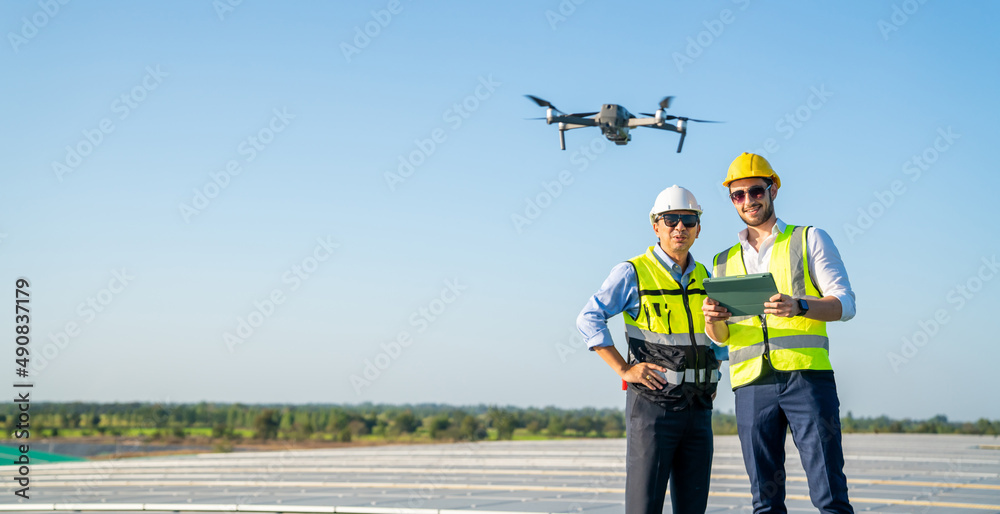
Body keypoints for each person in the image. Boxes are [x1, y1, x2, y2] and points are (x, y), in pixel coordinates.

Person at [703, 153, 856, 513]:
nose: (748, 201)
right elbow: (722, 338)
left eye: (755, 191)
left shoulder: (809, 239)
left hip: (807, 380)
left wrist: (800, 305)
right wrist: (712, 320)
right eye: (737, 195)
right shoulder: (722, 261)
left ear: (772, 189)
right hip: (751, 387)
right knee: (765, 502)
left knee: (830, 495)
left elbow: (846, 304)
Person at [577, 185, 726, 514]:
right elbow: (589, 318)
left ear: (698, 229)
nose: (679, 227)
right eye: (670, 219)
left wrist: (715, 369)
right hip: (653, 408)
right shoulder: (633, 272)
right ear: (655, 225)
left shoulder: (708, 277)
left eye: (688, 220)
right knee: (644, 508)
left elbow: (719, 335)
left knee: (693, 508)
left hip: (699, 408)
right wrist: (624, 369)